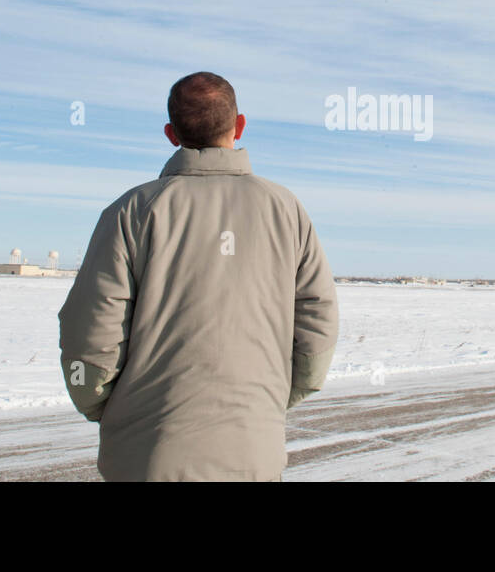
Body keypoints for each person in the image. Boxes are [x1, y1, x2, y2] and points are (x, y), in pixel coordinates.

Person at [59, 71, 338, 481]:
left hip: (147, 453)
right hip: (253, 451)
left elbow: (91, 327)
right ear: (239, 125)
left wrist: (105, 406)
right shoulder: (285, 209)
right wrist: (271, 400)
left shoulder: (131, 211)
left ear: (171, 134)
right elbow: (318, 323)